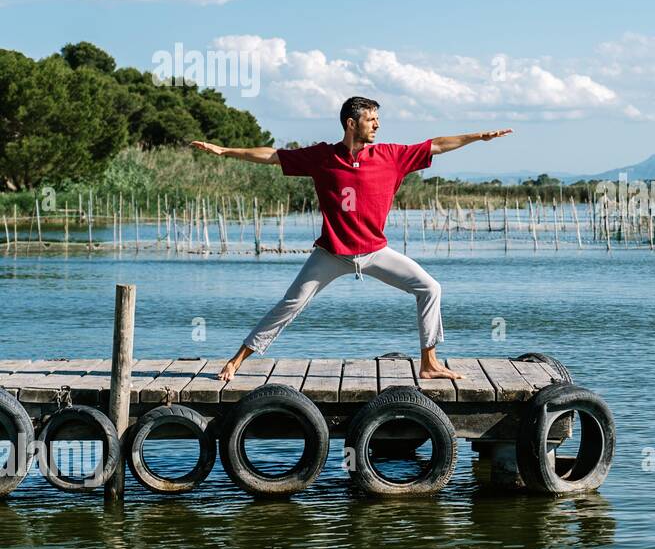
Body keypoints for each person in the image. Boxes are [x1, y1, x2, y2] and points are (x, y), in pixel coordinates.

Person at [190, 95, 512, 382]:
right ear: (351, 123)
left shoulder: (391, 156)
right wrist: (224, 151)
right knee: (290, 305)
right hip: (331, 253)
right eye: (371, 120)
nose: (377, 125)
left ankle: (429, 363)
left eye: (377, 119)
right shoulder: (321, 157)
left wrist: (477, 137)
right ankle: (236, 361)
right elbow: (273, 156)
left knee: (430, 288)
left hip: (374, 251)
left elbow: (436, 145)